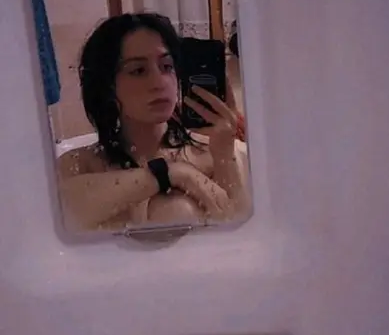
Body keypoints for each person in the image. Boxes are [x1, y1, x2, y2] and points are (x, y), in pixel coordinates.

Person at [58, 13, 251, 231]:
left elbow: (240, 235)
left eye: (167, 66)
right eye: (139, 71)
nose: (159, 82)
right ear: (107, 86)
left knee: (176, 208)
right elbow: (61, 217)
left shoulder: (212, 154)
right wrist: (169, 173)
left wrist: (225, 157)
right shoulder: (81, 165)